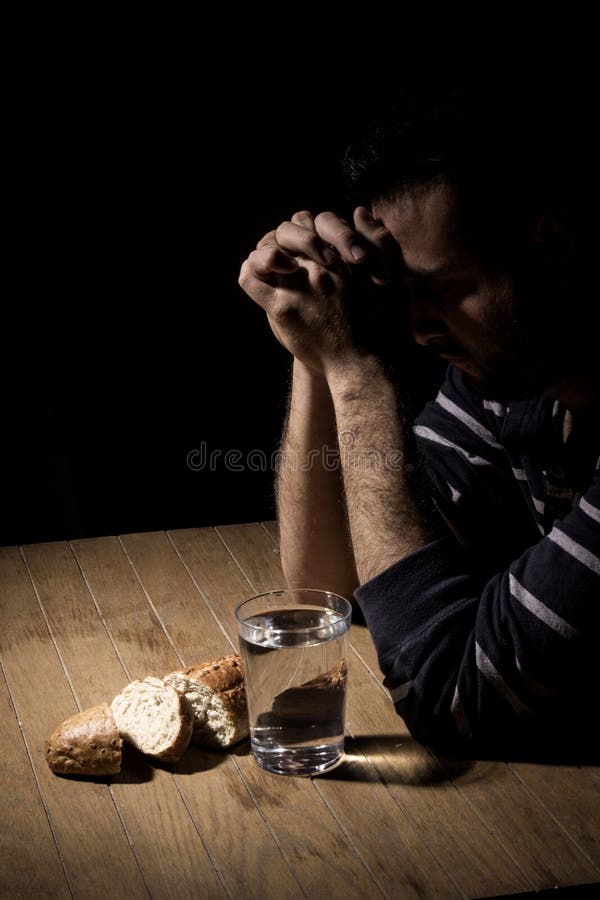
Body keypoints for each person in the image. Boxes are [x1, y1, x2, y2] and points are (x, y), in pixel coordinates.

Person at [238, 86, 599, 752]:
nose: (419, 325)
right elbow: (332, 582)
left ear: (555, 246)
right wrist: (313, 342)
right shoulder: (508, 392)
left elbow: (446, 699)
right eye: (406, 294)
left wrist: (355, 369)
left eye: (440, 289)